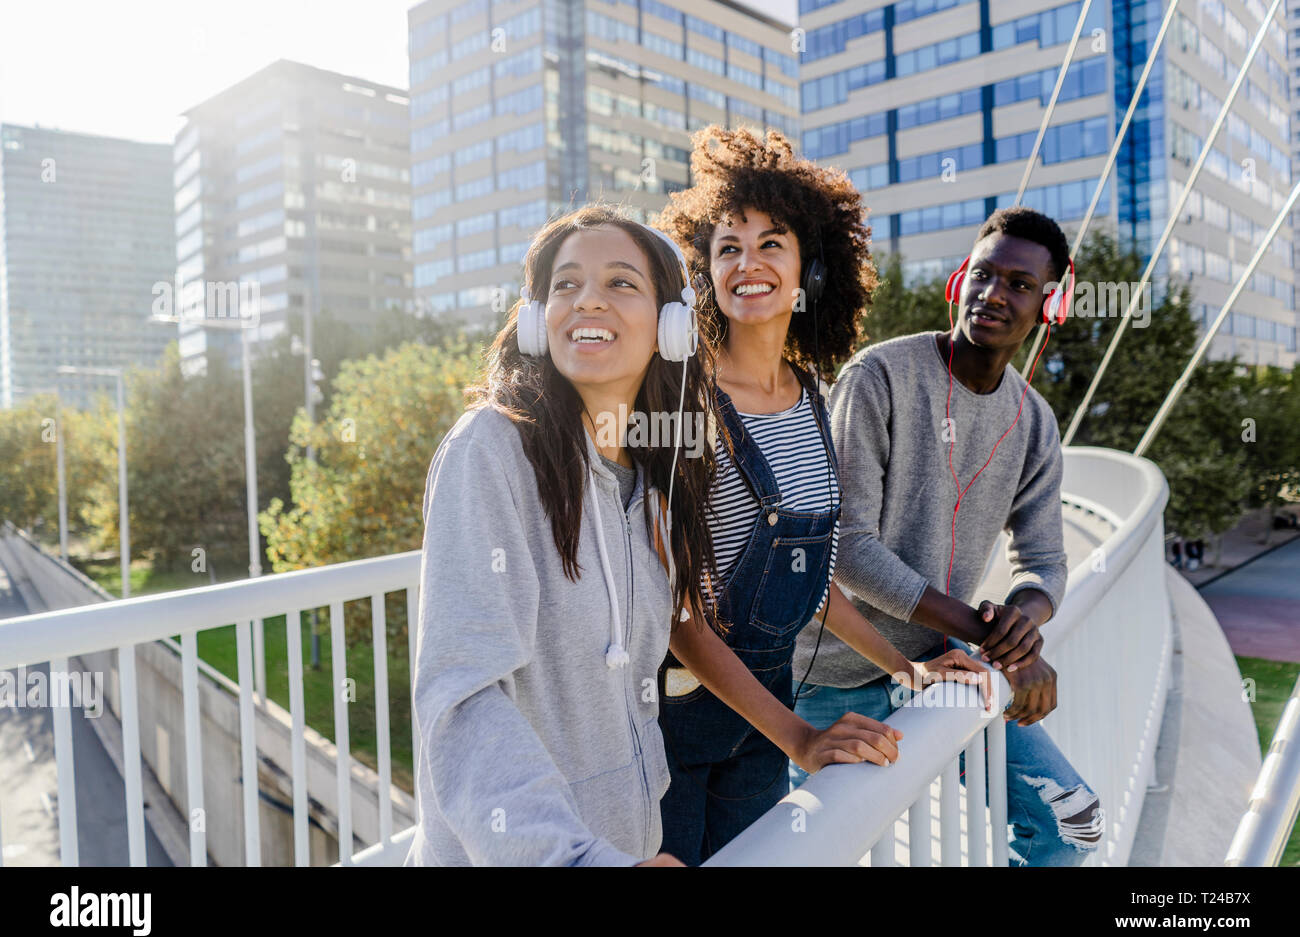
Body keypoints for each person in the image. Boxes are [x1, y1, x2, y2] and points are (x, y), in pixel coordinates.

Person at [652, 126, 986, 866]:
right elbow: (677, 615)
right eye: (728, 246)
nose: (748, 263)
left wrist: (911, 668)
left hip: (762, 724)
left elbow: (812, 576)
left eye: (773, 243)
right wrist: (800, 738)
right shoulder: (682, 402)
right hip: (673, 726)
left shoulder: (813, 397)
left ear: (811, 272)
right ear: (705, 271)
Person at [790, 207, 1105, 866]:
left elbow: (1045, 560)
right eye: (985, 275)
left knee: (1071, 820)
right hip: (830, 680)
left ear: (1052, 304)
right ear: (960, 278)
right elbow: (847, 547)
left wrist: (1022, 624)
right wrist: (990, 633)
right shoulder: (879, 377)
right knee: (821, 852)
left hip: (945, 670)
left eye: (1020, 284)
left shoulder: (1036, 423)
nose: (994, 294)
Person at [404, 205, 716, 866]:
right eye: (565, 285)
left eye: (620, 283)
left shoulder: (647, 474)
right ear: (535, 320)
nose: (586, 302)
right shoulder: (488, 449)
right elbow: (465, 697)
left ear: (673, 325)